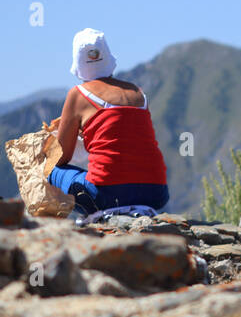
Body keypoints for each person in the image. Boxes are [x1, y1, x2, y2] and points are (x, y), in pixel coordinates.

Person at [46, 28, 169, 215]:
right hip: (156, 192)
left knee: (49, 169)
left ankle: (48, 230)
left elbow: (61, 157)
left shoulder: (77, 95)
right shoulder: (138, 93)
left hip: (107, 195)